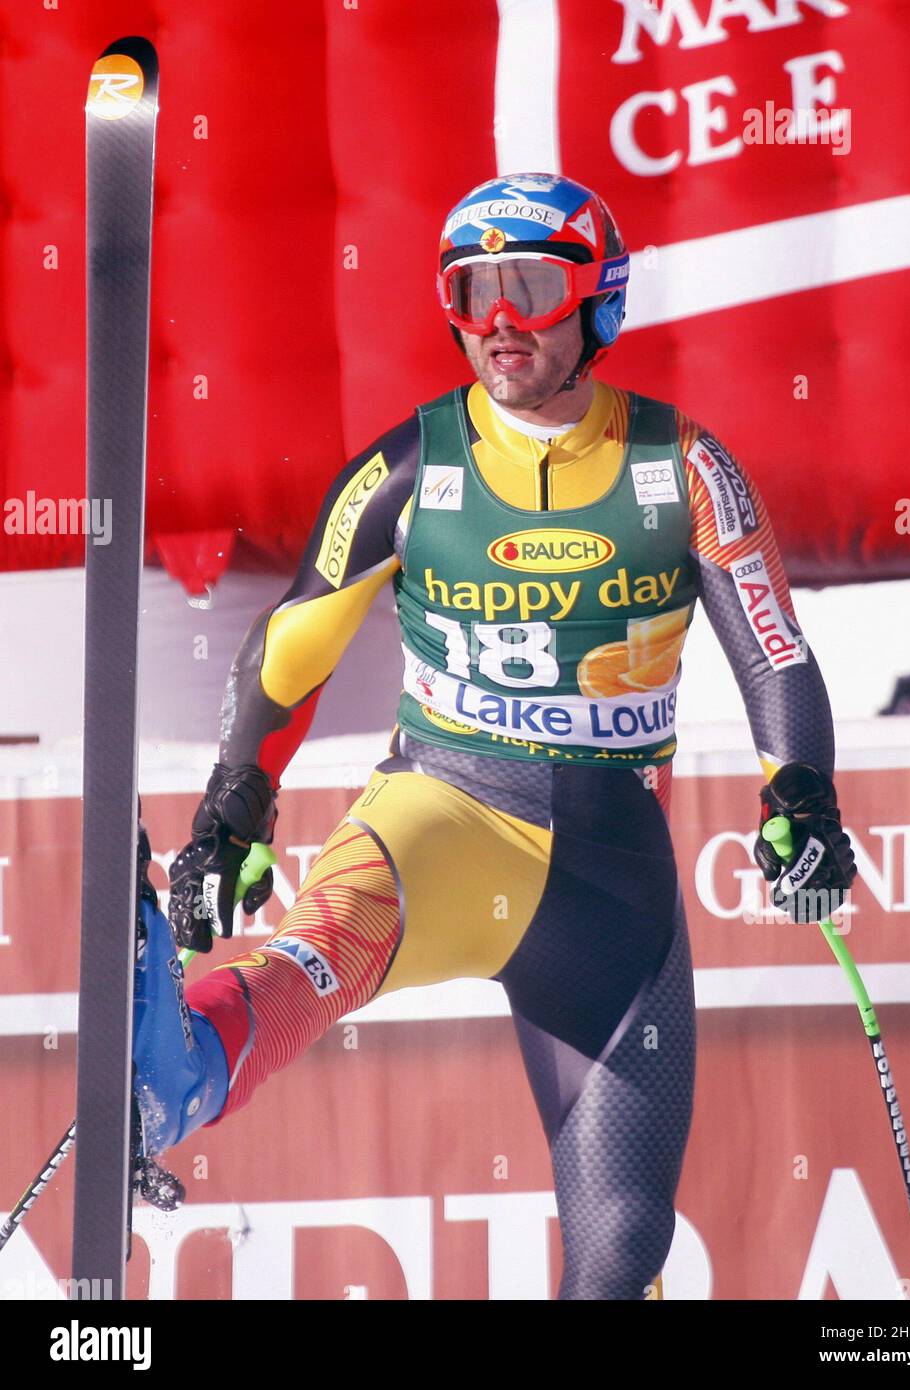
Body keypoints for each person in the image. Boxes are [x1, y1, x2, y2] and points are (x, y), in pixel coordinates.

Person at [134, 173, 857, 1300]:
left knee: (622, 1249)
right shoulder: (408, 468)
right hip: (441, 816)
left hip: (608, 889)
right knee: (310, 964)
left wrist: (801, 797)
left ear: (596, 300)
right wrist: (235, 805)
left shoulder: (683, 467)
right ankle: (176, 1073)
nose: (499, 321)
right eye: (470, 293)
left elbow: (771, 649)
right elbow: (288, 651)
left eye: (529, 286)